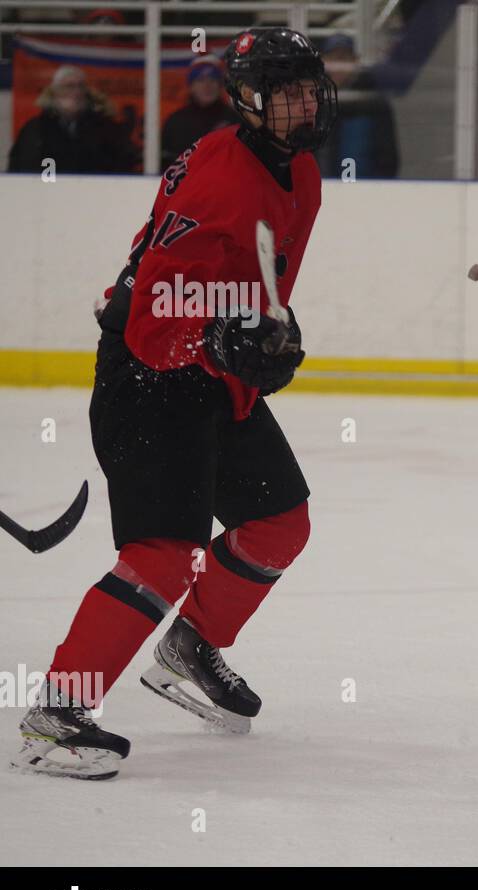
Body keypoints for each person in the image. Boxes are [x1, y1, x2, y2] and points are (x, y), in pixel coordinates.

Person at [10, 28, 338, 781]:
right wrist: (224, 337)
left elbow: (252, 282)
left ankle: (189, 647)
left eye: (308, 87)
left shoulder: (303, 171)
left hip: (208, 371)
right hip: (149, 372)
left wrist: (262, 337)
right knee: (163, 551)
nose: (303, 103)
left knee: (278, 522)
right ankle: (57, 715)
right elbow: (154, 312)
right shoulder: (223, 178)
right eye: (284, 92)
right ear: (249, 102)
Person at [7, 65, 136, 174]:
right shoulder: (35, 130)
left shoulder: (105, 128)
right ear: (54, 92)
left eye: (80, 86)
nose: (76, 92)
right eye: (69, 86)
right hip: (47, 197)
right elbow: (23, 168)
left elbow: (121, 167)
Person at [314, 33, 400, 180]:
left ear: (355, 61)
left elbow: (388, 156)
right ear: (324, 61)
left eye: (344, 58)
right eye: (333, 58)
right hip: (324, 189)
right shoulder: (313, 102)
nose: (339, 66)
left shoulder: (373, 101)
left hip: (365, 190)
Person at [160, 54, 238, 170]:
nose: (207, 86)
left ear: (220, 85)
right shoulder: (175, 121)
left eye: (212, 80)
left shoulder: (234, 119)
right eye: (201, 80)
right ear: (191, 86)